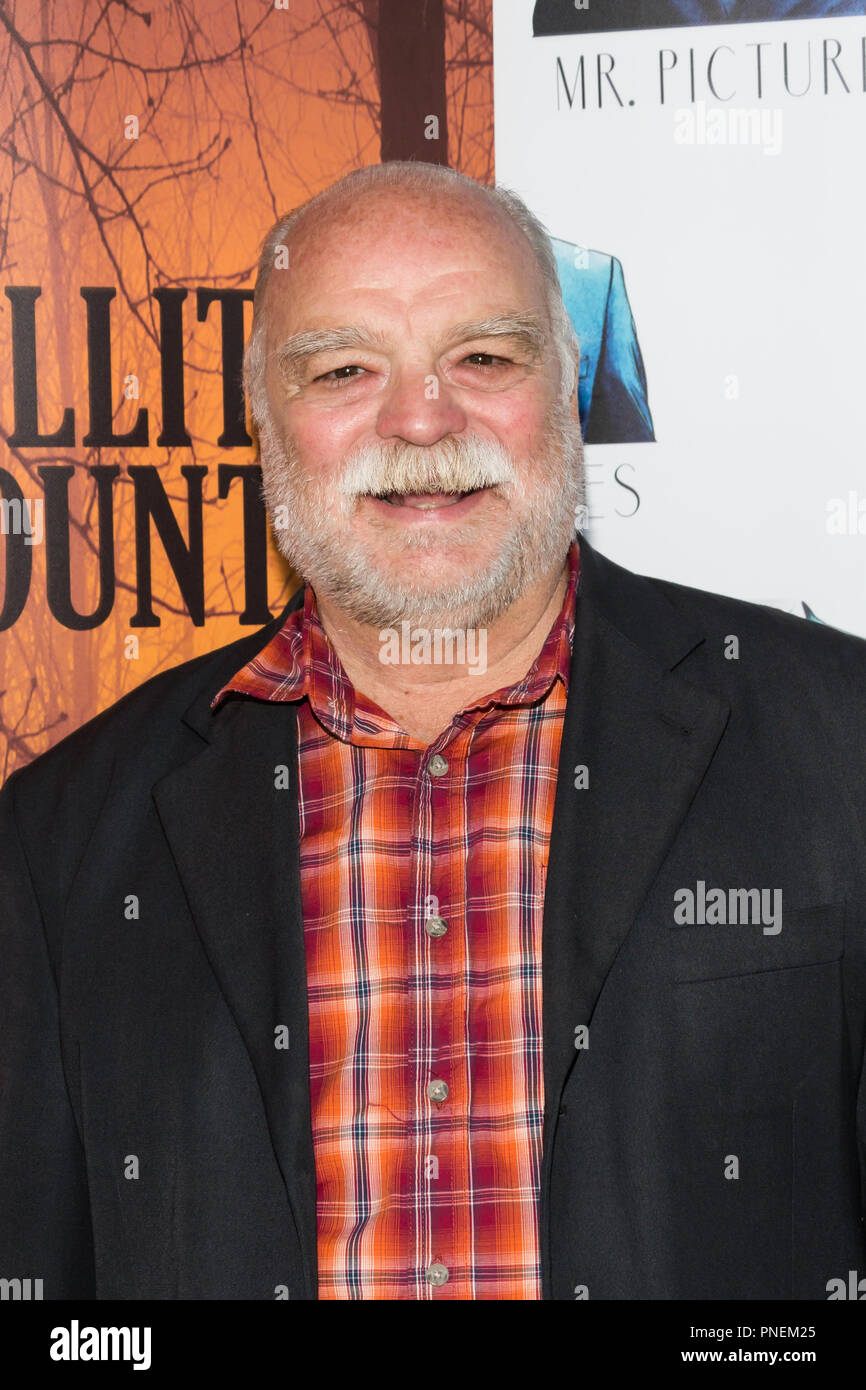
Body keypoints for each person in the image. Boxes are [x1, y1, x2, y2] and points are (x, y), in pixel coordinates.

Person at [1, 160, 864, 1301]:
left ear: (565, 393)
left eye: (485, 358)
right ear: (265, 423)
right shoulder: (61, 842)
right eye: (345, 368)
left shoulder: (835, 745)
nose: (421, 418)